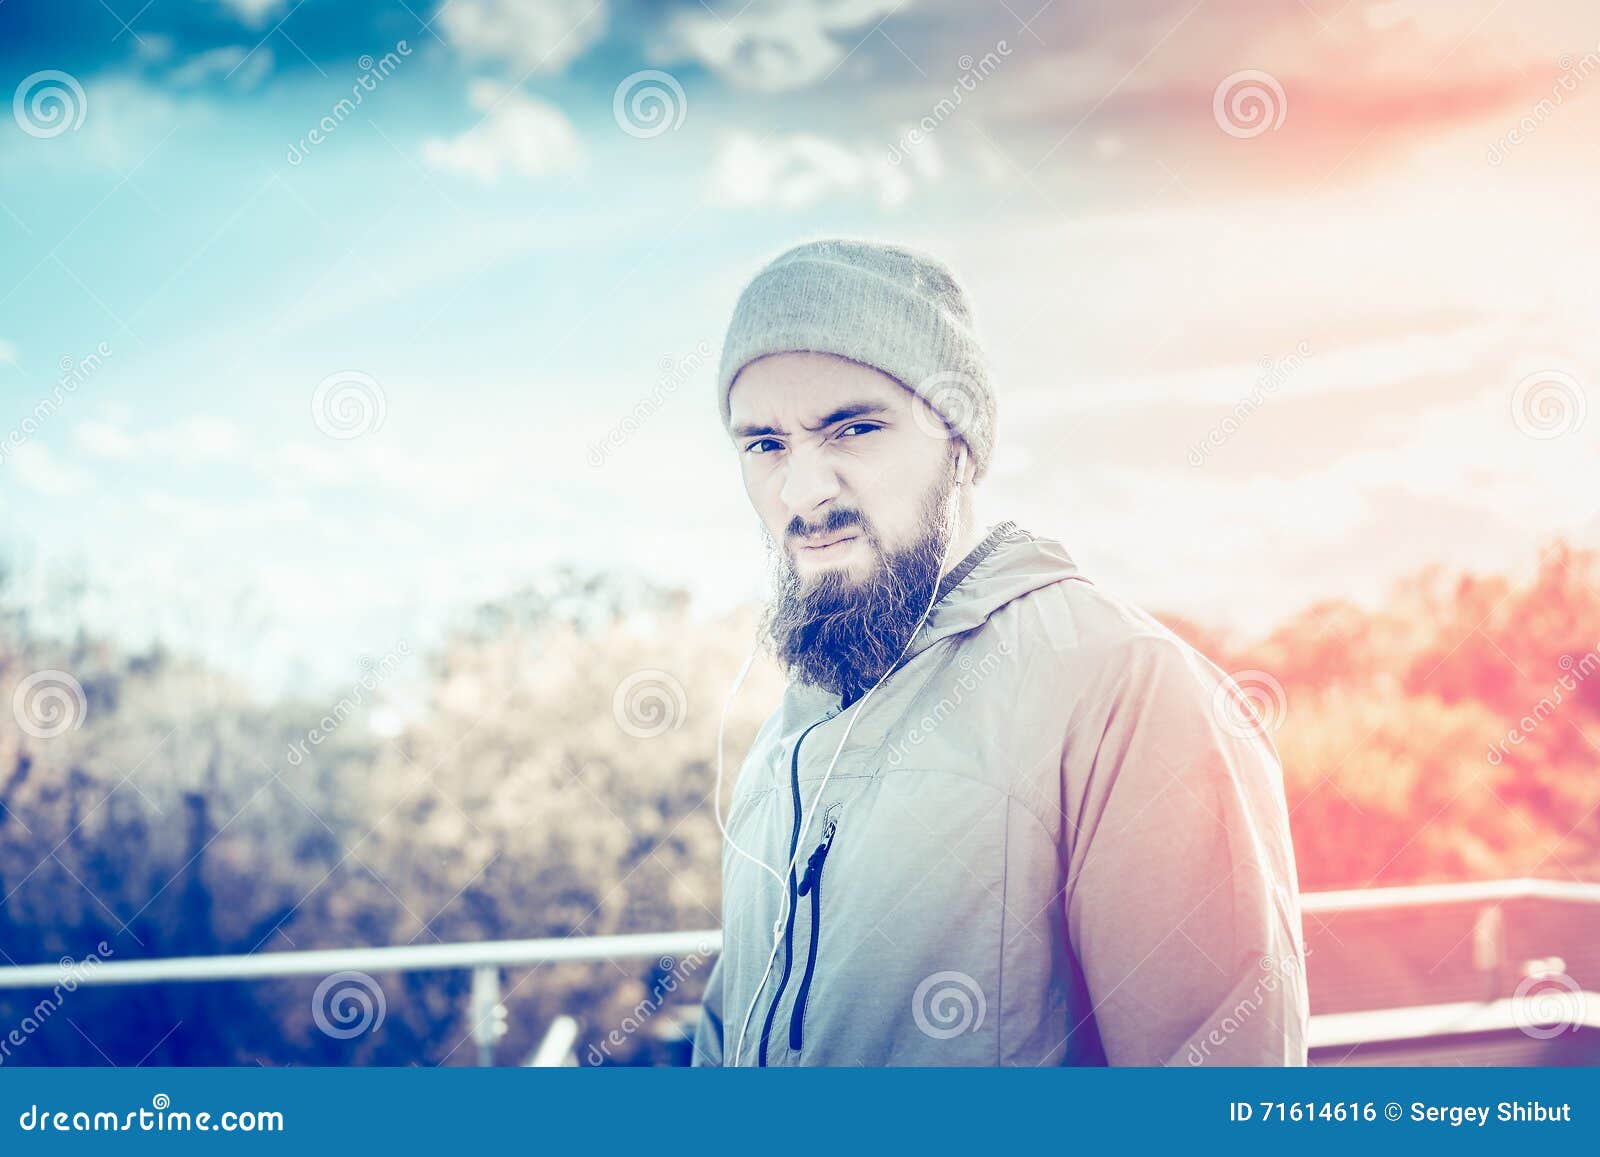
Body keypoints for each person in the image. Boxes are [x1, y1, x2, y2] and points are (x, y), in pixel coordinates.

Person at [693, 238, 1308, 1066]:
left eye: (853, 429)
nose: (803, 493)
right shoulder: (783, 741)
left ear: (959, 436)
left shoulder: (1123, 687)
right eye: (764, 444)